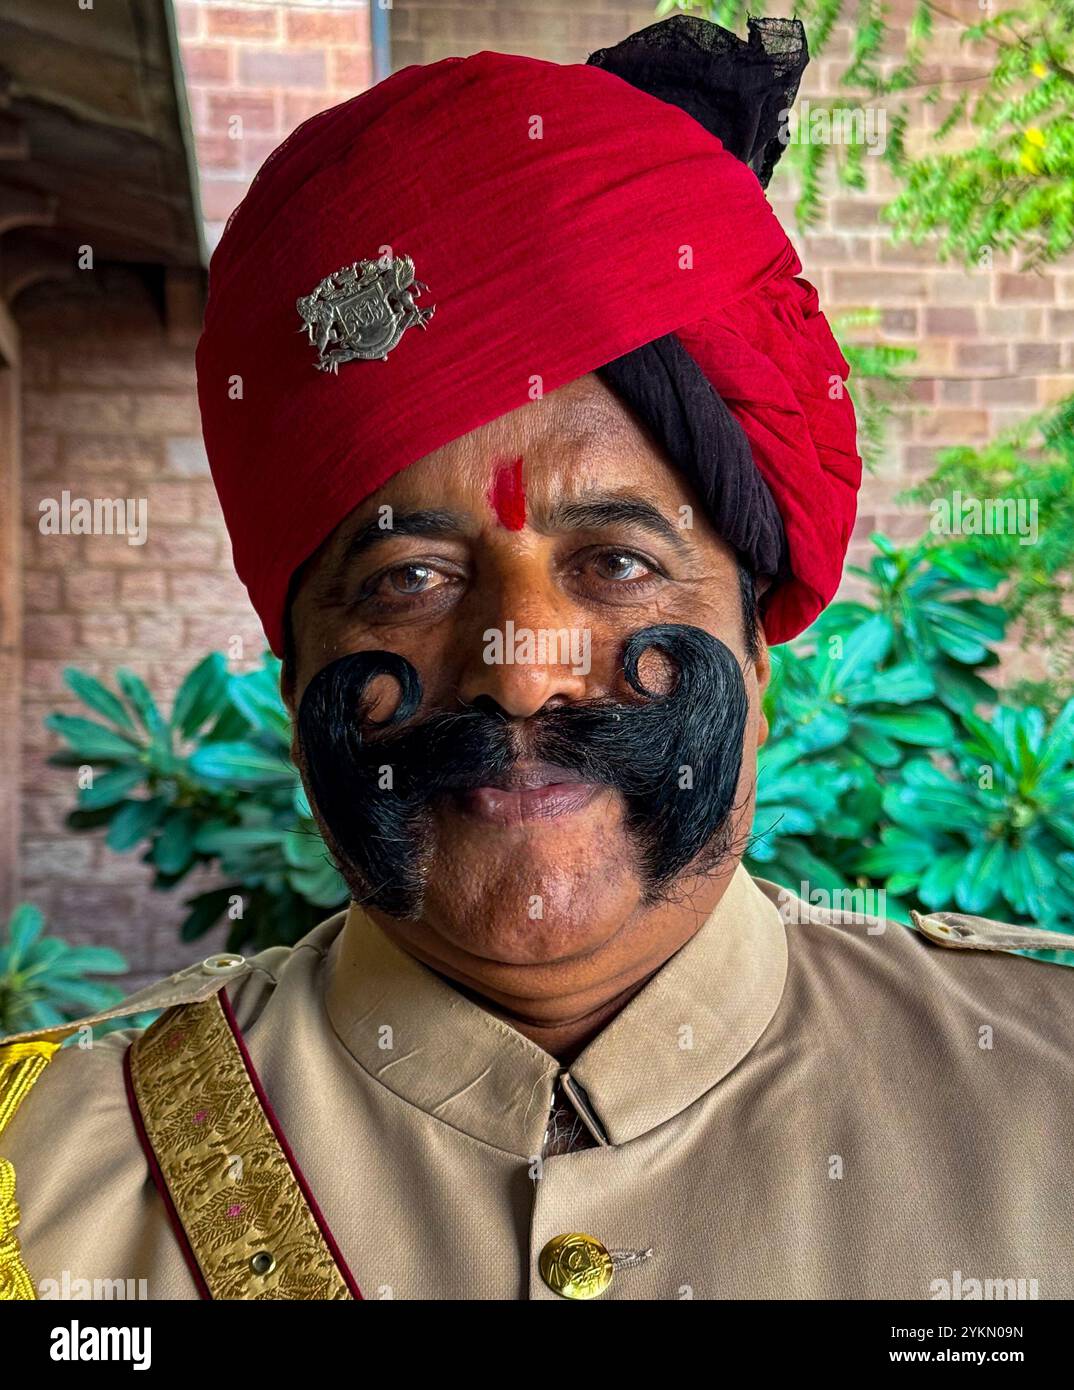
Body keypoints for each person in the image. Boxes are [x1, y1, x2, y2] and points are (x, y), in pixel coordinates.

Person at [2, 15, 1071, 1303]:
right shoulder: (45, 1179)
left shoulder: (1044, 1097)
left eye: (617, 563)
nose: (521, 667)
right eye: (410, 579)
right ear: (296, 671)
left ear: (760, 644)